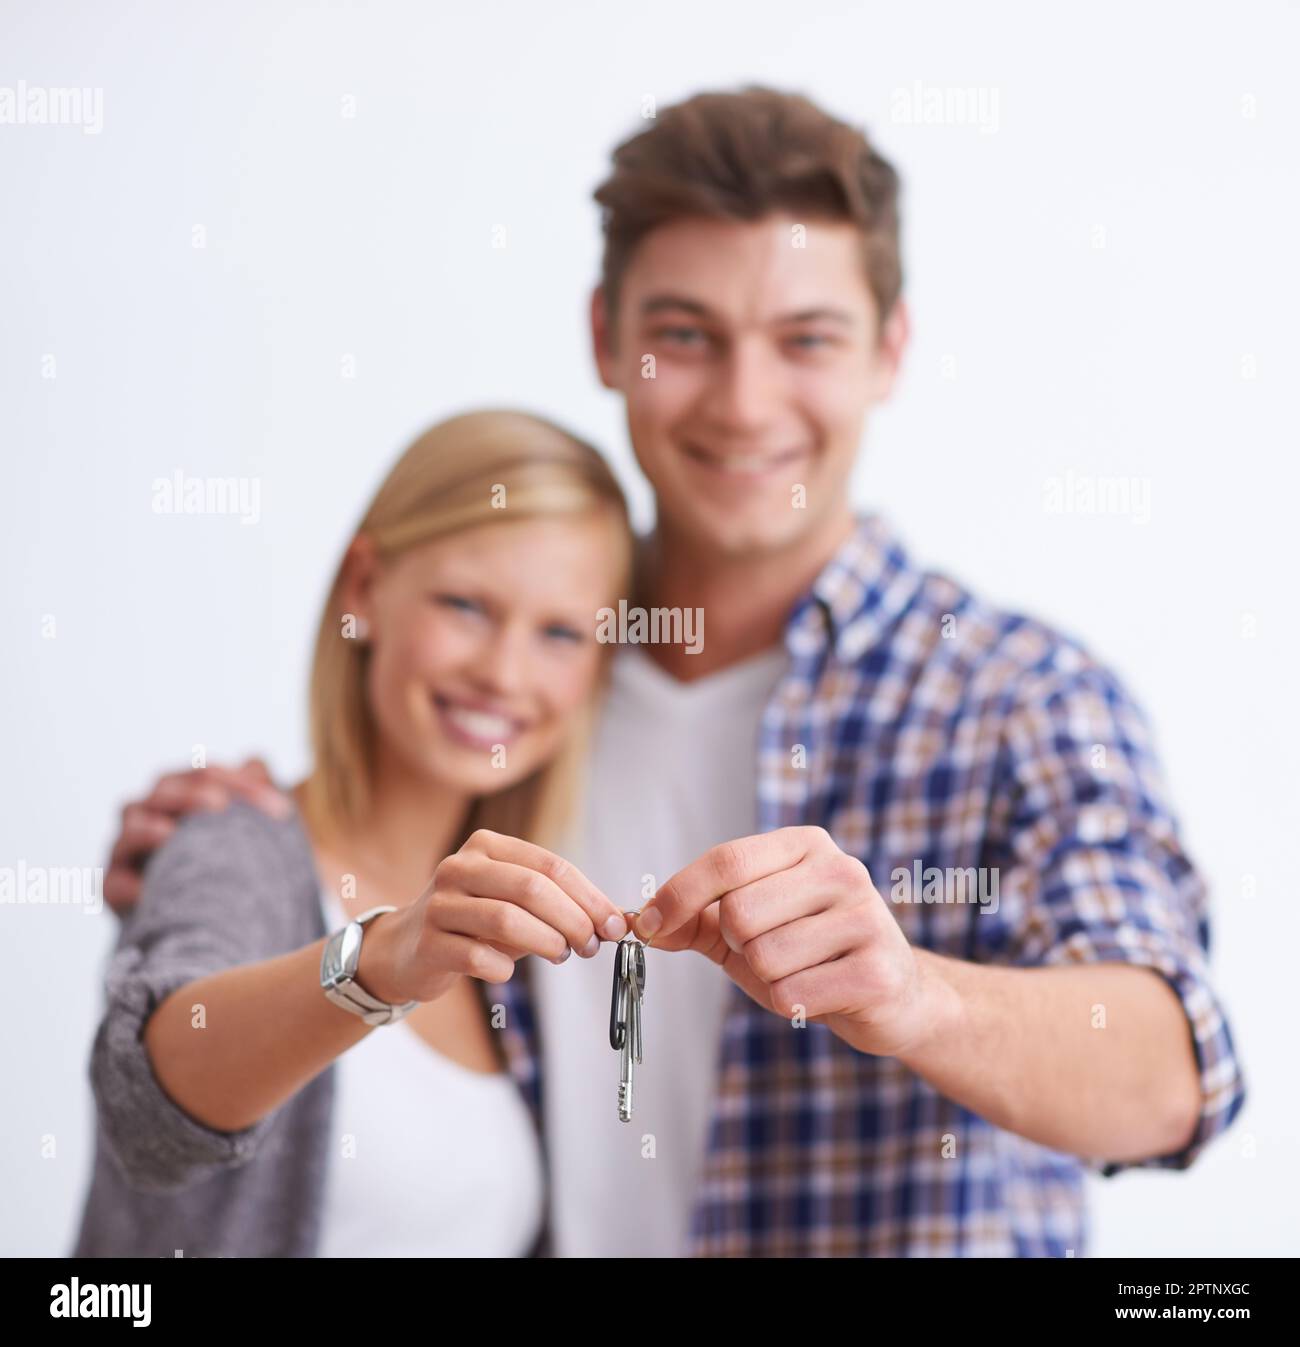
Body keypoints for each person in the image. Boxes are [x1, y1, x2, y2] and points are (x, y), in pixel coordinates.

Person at [91, 86, 1247, 1257]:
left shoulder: (1015, 696)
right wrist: (235, 857)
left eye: (806, 339)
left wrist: (915, 996)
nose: (745, 406)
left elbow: (1173, 1071)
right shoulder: (535, 681)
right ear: (606, 338)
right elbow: (293, 945)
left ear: (888, 352)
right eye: (684, 336)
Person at [73, 409, 636, 1256]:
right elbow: (146, 1109)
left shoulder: (527, 949)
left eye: (560, 632)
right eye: (466, 605)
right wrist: (377, 959)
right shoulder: (234, 843)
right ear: (365, 588)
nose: (504, 672)